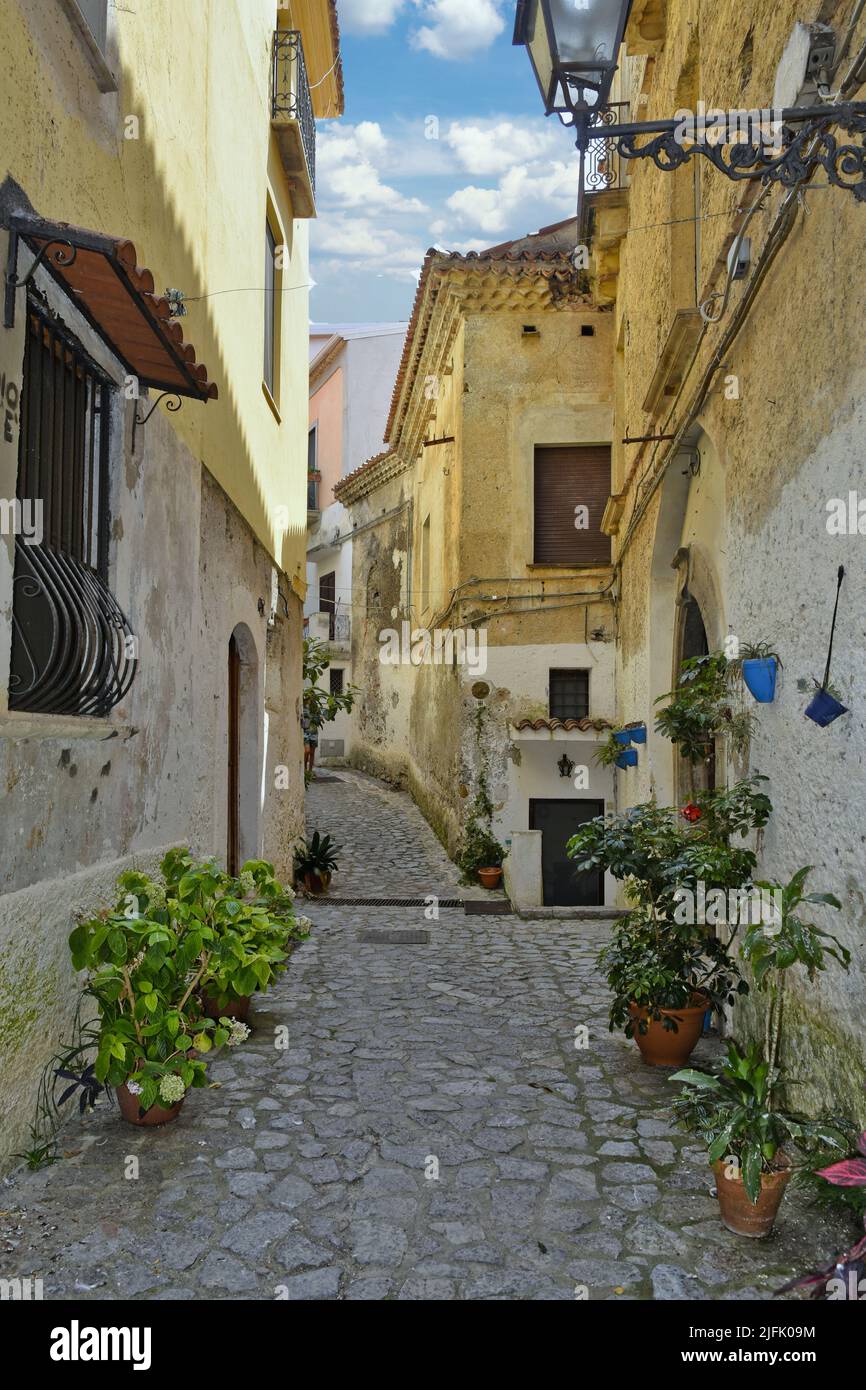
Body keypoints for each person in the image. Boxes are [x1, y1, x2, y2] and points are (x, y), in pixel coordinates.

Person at [302, 707, 319, 775]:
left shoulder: (316, 708)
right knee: (307, 751)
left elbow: (319, 720)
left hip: (314, 733)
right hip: (306, 733)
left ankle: (310, 771)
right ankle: (305, 768)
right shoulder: (303, 707)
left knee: (312, 753)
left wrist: (318, 718)